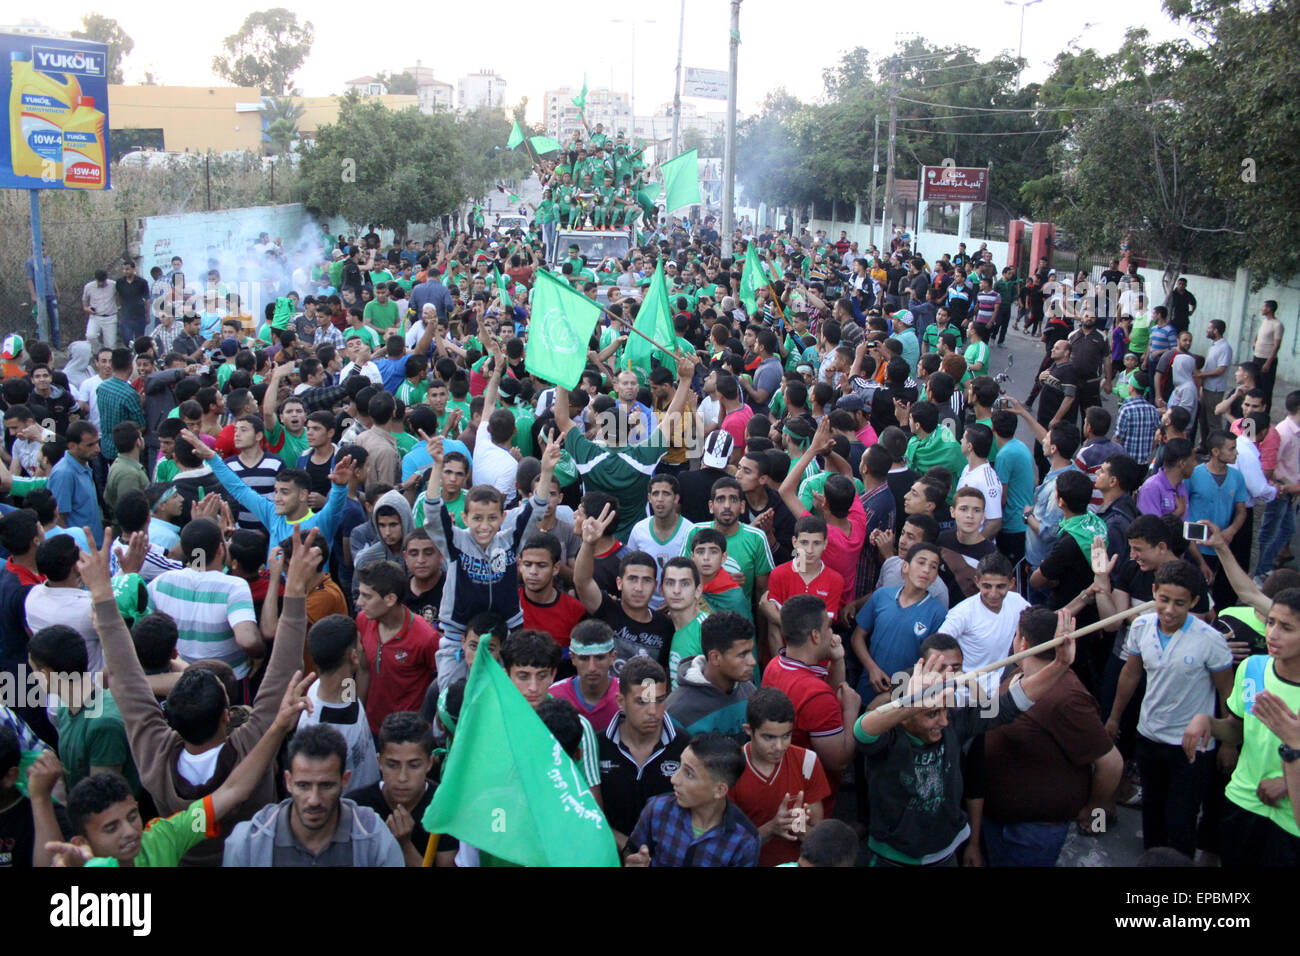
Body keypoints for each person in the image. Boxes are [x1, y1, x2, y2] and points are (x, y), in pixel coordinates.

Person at [853, 609, 1079, 867]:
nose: (945, 721)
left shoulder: (956, 721)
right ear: (905, 715)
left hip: (947, 853)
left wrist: (1059, 665)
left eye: (946, 710)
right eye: (932, 714)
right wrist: (913, 703)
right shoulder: (888, 737)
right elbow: (861, 731)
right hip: (893, 857)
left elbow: (1006, 707)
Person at [33, 669, 314, 868]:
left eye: (132, 816)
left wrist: (278, 726)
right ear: (84, 840)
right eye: (110, 828)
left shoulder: (164, 837)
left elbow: (234, 789)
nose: (130, 831)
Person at [1105, 560, 1234, 859]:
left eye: (1180, 603)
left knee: (1181, 819)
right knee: (1152, 810)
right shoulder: (1140, 626)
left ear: (1194, 602)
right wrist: (1114, 716)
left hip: (1192, 745)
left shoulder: (1210, 641)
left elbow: (1227, 690)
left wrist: (1228, 739)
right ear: (1154, 593)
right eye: (1163, 600)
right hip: (1149, 735)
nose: (1170, 610)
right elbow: (1131, 673)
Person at [982, 607, 1123, 866]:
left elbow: (1111, 763)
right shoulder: (1017, 674)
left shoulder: (1067, 698)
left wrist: (1094, 809)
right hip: (997, 819)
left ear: (1022, 641)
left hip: (1031, 833)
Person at [423, 432, 558, 690]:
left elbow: (536, 510)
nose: (484, 526)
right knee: (454, 698)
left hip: (505, 634)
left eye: (492, 518)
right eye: (477, 518)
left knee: (505, 697)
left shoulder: (509, 541)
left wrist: (547, 470)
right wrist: (437, 465)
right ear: (464, 516)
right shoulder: (455, 542)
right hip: (458, 636)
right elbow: (432, 513)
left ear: (502, 517)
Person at [222, 723, 403, 867]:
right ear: (288, 781)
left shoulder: (374, 839)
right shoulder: (247, 844)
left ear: (344, 780)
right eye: (303, 785)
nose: (314, 799)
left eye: (326, 785)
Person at [623, 732, 760, 868]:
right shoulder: (657, 809)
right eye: (680, 765)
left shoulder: (744, 840)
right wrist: (633, 861)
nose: (674, 779)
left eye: (689, 774)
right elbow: (631, 850)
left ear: (719, 790)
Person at [730, 688, 832, 866]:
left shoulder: (807, 762)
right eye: (769, 737)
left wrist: (799, 827)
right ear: (749, 730)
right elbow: (727, 847)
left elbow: (818, 844)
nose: (779, 746)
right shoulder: (730, 770)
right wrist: (772, 828)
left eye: (786, 736)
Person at [597, 656, 691, 848]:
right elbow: (588, 812)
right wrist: (627, 848)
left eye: (660, 700)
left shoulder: (685, 747)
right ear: (620, 701)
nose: (653, 711)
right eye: (642, 702)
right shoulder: (598, 747)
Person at [347, 711, 455, 867]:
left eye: (413, 765)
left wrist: (404, 846)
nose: (402, 777)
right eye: (392, 765)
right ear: (380, 762)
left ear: (429, 763)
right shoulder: (356, 808)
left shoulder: (444, 806)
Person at [850, 543, 947, 696]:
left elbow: (931, 662)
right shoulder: (882, 595)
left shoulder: (938, 613)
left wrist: (899, 690)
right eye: (921, 562)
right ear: (905, 567)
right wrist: (872, 669)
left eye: (933, 567)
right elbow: (857, 637)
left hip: (903, 696)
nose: (926, 570)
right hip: (868, 685)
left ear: (936, 576)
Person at [355, 560, 438, 736]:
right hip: (370, 729)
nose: (359, 602)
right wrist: (355, 716)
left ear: (390, 599)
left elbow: (441, 683)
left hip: (408, 736)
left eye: (367, 596)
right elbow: (362, 670)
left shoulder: (426, 637)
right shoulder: (363, 621)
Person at [297, 615, 379, 793]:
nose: (363, 647)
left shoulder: (344, 685)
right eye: (359, 643)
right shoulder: (317, 730)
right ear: (353, 656)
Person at [939, 553, 1031, 697]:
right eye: (987, 586)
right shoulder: (962, 613)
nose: (993, 594)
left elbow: (1039, 623)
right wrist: (962, 678)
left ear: (1011, 583)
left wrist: (1080, 601)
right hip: (963, 696)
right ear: (977, 581)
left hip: (997, 689)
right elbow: (937, 646)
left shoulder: (1017, 602)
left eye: (1000, 586)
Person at [666, 611, 758, 742]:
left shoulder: (750, 692)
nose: (752, 661)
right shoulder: (677, 713)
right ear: (715, 658)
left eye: (751, 652)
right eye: (742, 654)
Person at [624, 474, 693, 610]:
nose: (660, 499)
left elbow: (697, 574)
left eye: (666, 494)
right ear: (649, 498)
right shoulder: (639, 530)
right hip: (644, 606)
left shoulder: (690, 531)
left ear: (676, 498)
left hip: (681, 605)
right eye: (655, 494)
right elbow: (628, 568)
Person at [549, 621, 621, 732]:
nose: (592, 667)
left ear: (612, 657)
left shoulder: (628, 694)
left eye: (599, 658)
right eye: (584, 658)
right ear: (572, 658)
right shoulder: (552, 696)